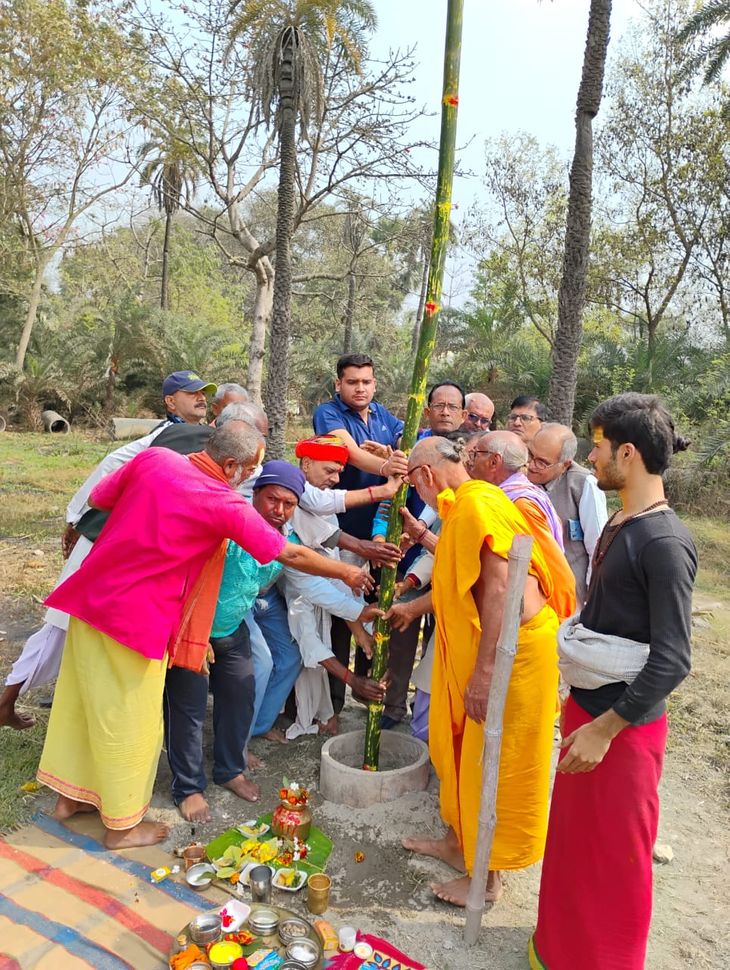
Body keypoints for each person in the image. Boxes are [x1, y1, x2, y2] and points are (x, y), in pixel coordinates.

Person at [35, 421, 372, 849]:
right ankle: (120, 828)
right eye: (249, 469)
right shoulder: (222, 503)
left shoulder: (155, 459)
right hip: (136, 618)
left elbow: (102, 496)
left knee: (83, 707)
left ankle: (70, 800)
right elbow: (287, 551)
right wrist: (345, 569)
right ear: (230, 464)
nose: (249, 476)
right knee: (130, 721)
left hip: (91, 595)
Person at [529, 394, 697, 970]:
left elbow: (673, 659)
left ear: (628, 452)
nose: (591, 457)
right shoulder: (623, 523)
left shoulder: (665, 544)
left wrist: (606, 728)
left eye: (598, 446)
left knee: (617, 858)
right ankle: (558, 950)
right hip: (589, 715)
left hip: (622, 733)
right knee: (576, 845)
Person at [0, 369, 217, 730]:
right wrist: (75, 519)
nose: (201, 397)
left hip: (118, 544)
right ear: (169, 401)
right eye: (191, 392)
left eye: (204, 393)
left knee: (79, 628)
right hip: (102, 540)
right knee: (62, 625)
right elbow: (110, 465)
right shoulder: (170, 434)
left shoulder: (189, 436)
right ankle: (8, 701)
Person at [397, 436, 559, 907]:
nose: (418, 493)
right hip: (494, 646)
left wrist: (486, 672)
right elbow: (456, 581)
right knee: (463, 751)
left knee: (495, 761)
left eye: (413, 483)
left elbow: (500, 589)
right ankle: (458, 843)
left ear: (425, 476)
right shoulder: (465, 503)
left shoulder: (476, 505)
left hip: (516, 650)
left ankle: (486, 879)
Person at [164, 461, 305, 822]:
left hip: (231, 628)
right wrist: (195, 631)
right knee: (189, 710)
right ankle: (189, 788)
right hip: (195, 630)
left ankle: (230, 769)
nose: (280, 510)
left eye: (289, 504)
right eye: (273, 499)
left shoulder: (285, 538)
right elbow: (186, 579)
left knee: (240, 695)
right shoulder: (225, 527)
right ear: (255, 495)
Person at [312, 353, 407, 709]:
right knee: (340, 612)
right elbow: (349, 453)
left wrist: (394, 454)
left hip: (383, 529)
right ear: (339, 384)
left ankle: (369, 693)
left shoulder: (383, 415)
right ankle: (333, 702)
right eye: (352, 382)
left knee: (376, 609)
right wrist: (388, 464)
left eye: (366, 381)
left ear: (375, 383)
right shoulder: (329, 413)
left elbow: (405, 445)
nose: (360, 388)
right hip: (339, 531)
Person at [283, 436, 391, 736]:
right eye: (330, 471)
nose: (336, 478)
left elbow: (334, 574)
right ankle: (296, 716)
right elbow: (312, 583)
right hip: (295, 595)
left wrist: (360, 631)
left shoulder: (318, 501)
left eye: (339, 472)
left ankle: (324, 713)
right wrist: (353, 680)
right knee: (304, 652)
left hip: (319, 592)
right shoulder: (294, 504)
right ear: (305, 464)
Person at [465, 430, 576, 623]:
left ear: (494, 462)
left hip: (531, 618)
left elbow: (553, 567)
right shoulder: (505, 496)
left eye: (476, 453)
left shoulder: (520, 504)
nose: (470, 460)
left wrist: (559, 619)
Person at [527, 422, 608, 605]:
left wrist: (590, 598)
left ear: (565, 465)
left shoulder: (584, 484)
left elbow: (597, 547)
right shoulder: (519, 479)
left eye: (542, 462)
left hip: (570, 597)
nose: (531, 465)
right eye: (530, 454)